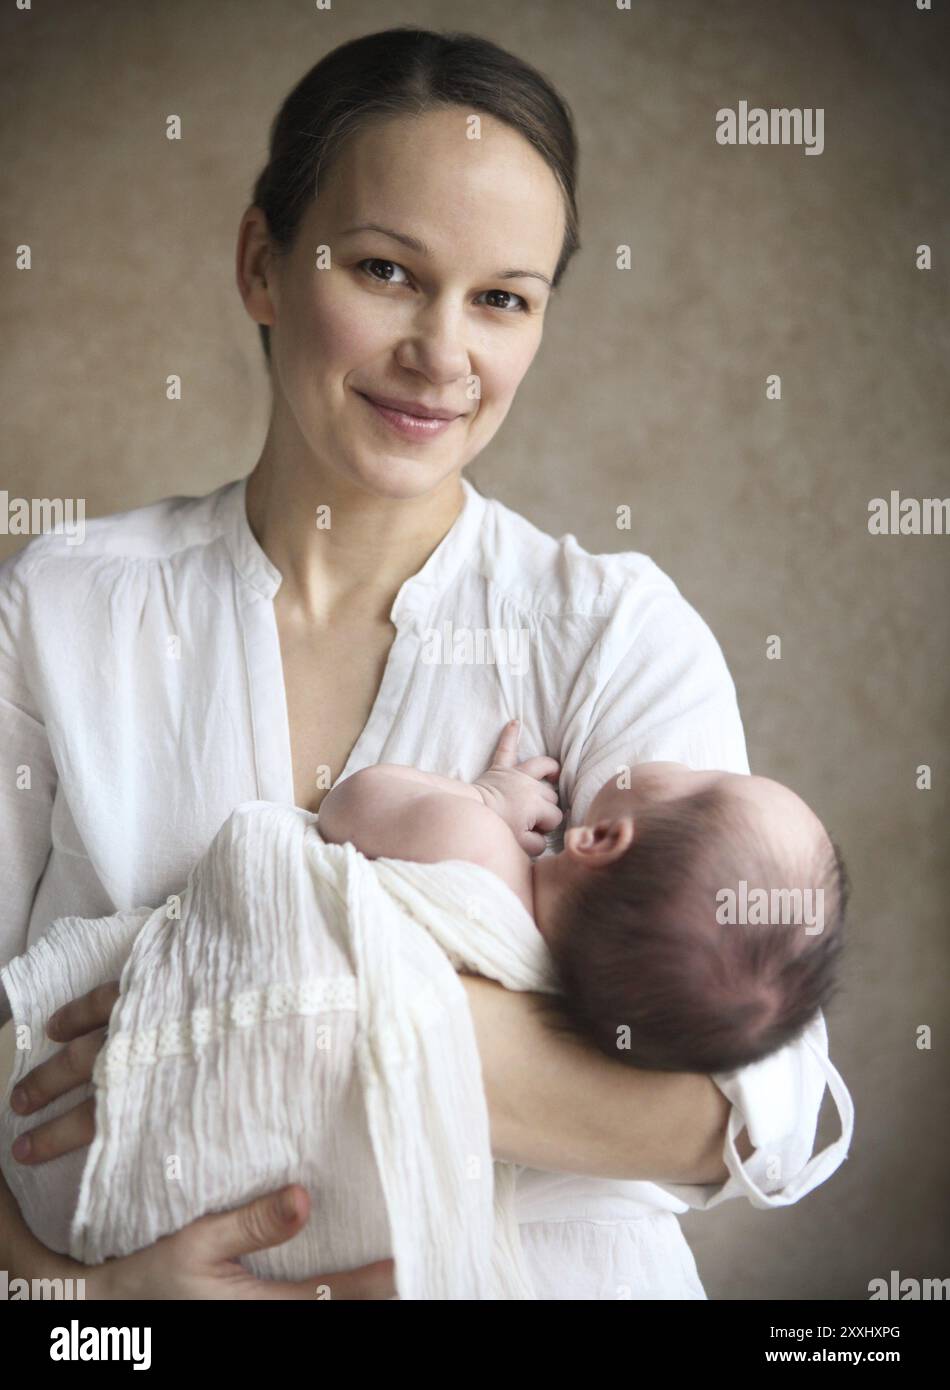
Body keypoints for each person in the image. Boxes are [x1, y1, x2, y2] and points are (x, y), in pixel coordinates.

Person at [0, 27, 853, 1300]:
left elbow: (740, 1105)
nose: (443, 354)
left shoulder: (611, 629)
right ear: (262, 264)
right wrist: (74, 1304)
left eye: (502, 297)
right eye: (388, 271)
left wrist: (275, 1017)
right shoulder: (63, 608)